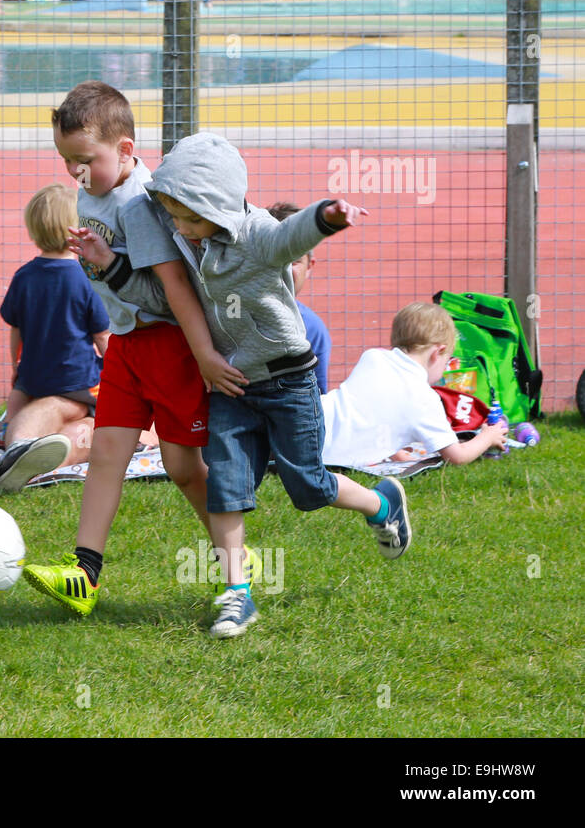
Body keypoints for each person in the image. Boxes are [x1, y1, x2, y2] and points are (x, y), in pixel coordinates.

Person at [147, 132, 412, 639]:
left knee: (307, 487)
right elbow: (144, 207)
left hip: (289, 380)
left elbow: (292, 235)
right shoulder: (186, 235)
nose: (180, 229)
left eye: (189, 217)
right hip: (233, 385)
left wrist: (326, 217)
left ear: (219, 206)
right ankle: (236, 596)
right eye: (174, 216)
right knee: (223, 484)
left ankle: (382, 503)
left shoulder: (257, 236)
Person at [20, 83, 254, 618]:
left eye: (84, 160)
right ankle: (85, 575)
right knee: (106, 455)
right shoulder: (91, 190)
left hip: (168, 347)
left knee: (182, 467)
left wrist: (202, 355)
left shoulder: (142, 205)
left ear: (126, 150)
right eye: (66, 161)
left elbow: (176, 290)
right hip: (127, 345)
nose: (75, 173)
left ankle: (236, 558)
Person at [0, 185, 109, 499]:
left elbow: (15, 329)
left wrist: (16, 368)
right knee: (92, 425)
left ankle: (2, 448)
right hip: (77, 381)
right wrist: (120, 373)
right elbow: (101, 335)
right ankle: (21, 460)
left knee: (17, 413)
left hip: (31, 377)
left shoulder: (24, 276)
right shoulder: (86, 278)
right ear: (79, 229)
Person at [322, 303, 508, 468]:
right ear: (438, 352)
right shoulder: (424, 398)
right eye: (446, 361)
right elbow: (457, 456)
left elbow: (368, 415)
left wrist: (393, 452)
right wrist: (487, 437)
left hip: (312, 419)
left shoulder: (372, 357)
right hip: (329, 455)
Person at [267, 201, 330, 393]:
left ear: (309, 267)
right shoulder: (228, 313)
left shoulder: (312, 329)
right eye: (276, 259)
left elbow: (317, 399)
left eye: (294, 261)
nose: (285, 269)